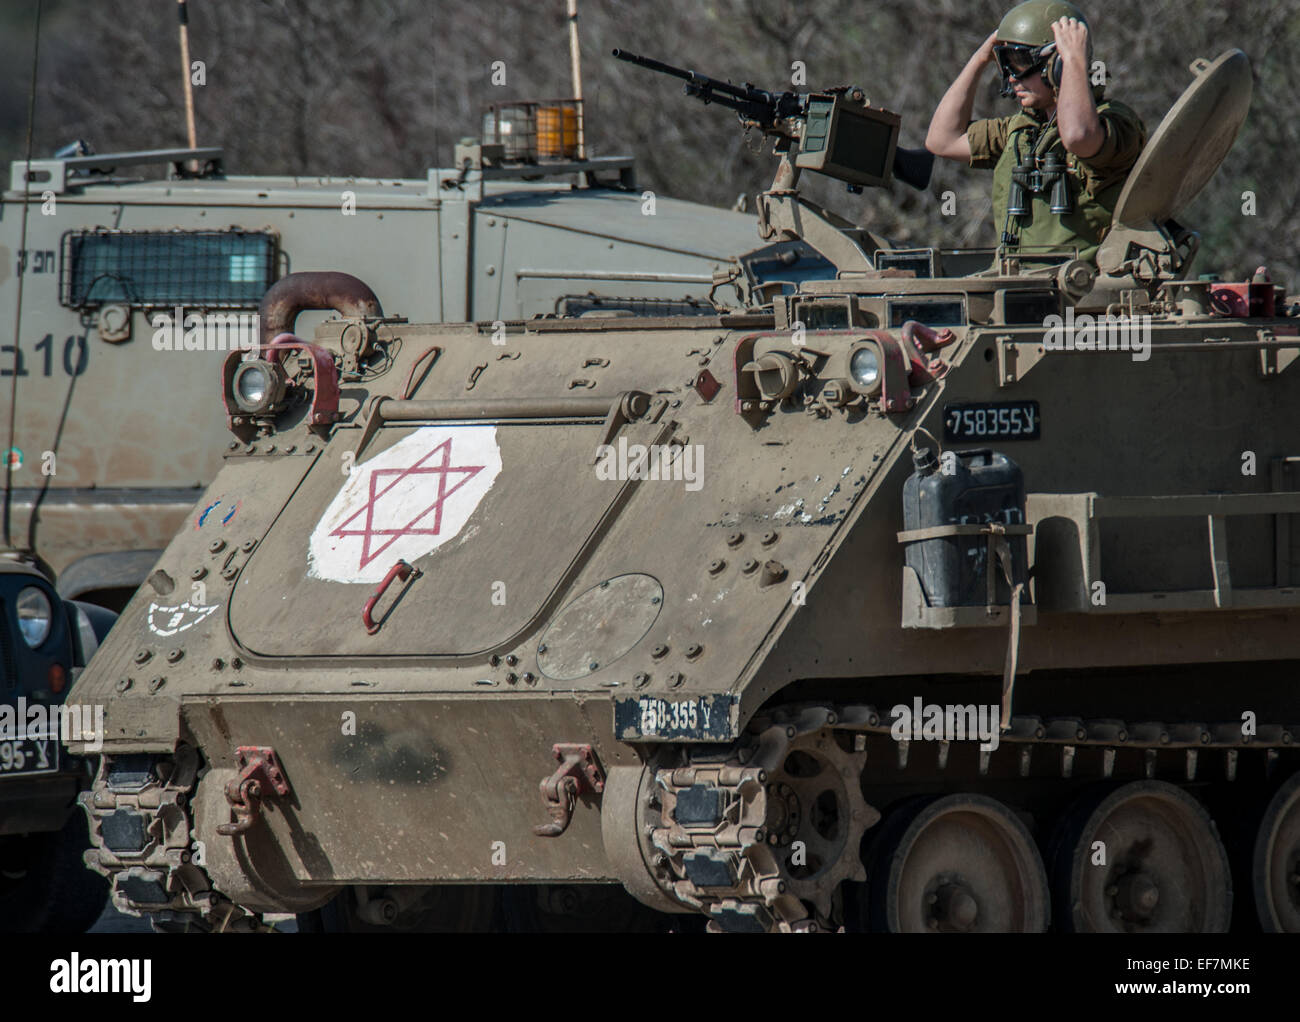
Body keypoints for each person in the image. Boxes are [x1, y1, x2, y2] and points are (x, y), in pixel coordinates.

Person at [924, 0, 1146, 263]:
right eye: (1004, 64)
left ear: (1056, 64)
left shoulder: (1112, 122)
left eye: (1018, 62)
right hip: (1015, 289)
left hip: (1077, 294)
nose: (1011, 77)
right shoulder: (1021, 129)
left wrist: (1073, 61)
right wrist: (982, 57)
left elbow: (1077, 136)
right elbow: (942, 140)